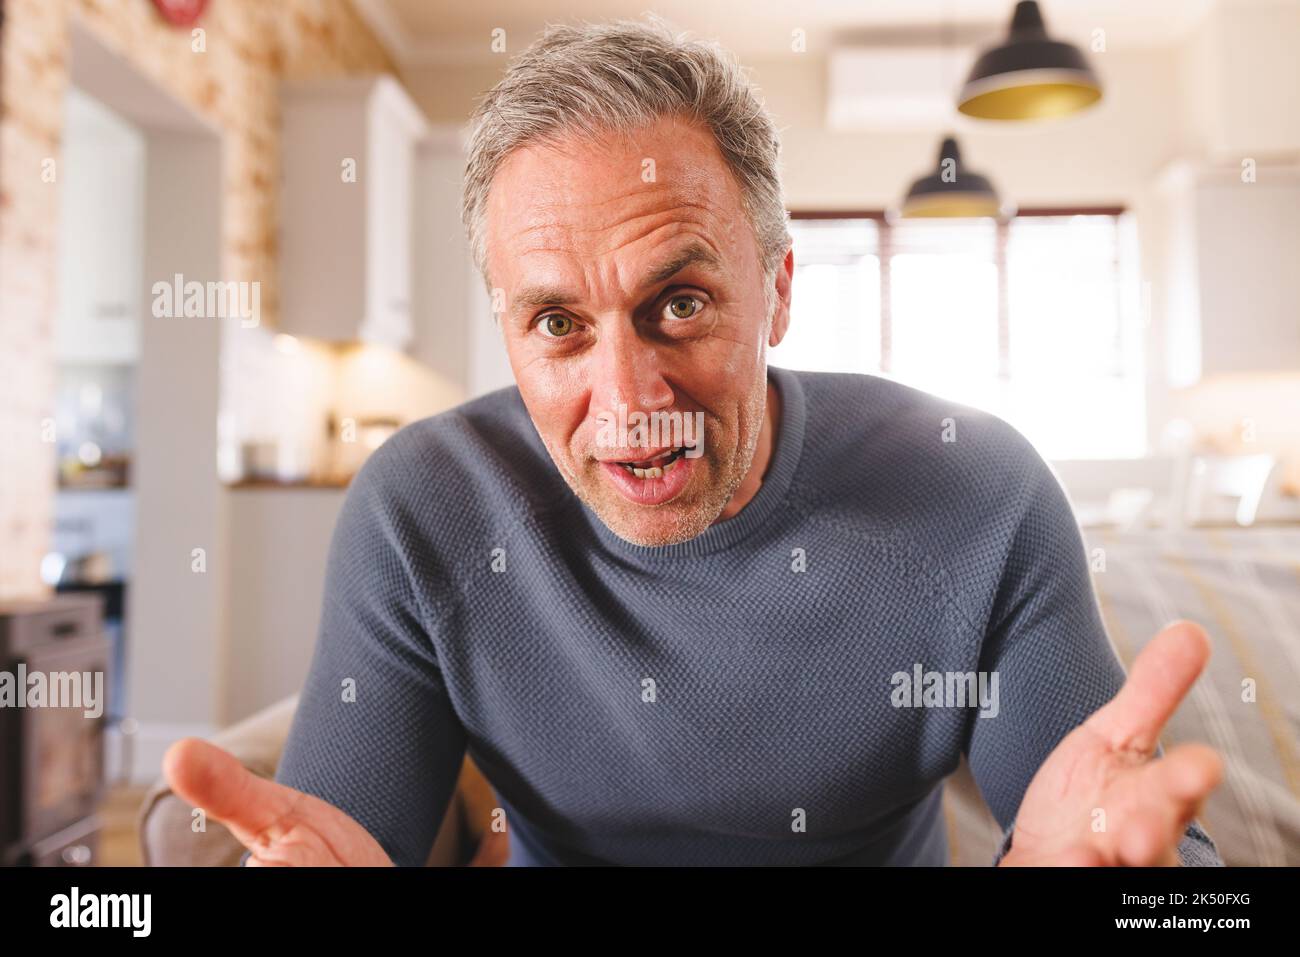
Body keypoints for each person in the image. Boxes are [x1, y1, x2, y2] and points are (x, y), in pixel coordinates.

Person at [165, 18, 1224, 867]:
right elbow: (349, 844)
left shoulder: (976, 495)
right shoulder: (421, 513)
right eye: (556, 323)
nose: (629, 399)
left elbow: (1121, 835)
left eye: (677, 302)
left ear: (777, 289)